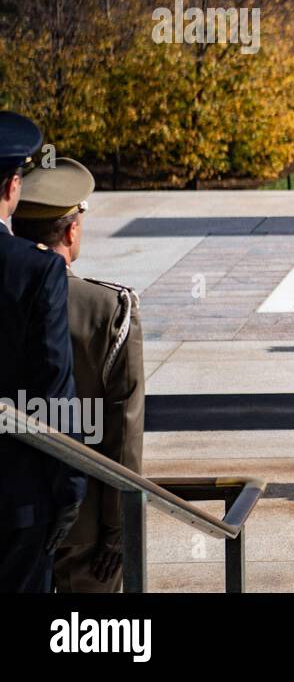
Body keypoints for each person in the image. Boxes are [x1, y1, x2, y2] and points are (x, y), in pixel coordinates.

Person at [13, 156, 144, 593]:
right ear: (72, 230)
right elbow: (123, 431)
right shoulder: (110, 309)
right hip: (87, 523)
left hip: (16, 507)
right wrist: (117, 529)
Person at [0, 112, 85, 593]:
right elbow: (53, 390)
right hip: (18, 498)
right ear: (13, 186)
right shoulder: (35, 271)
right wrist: (70, 487)